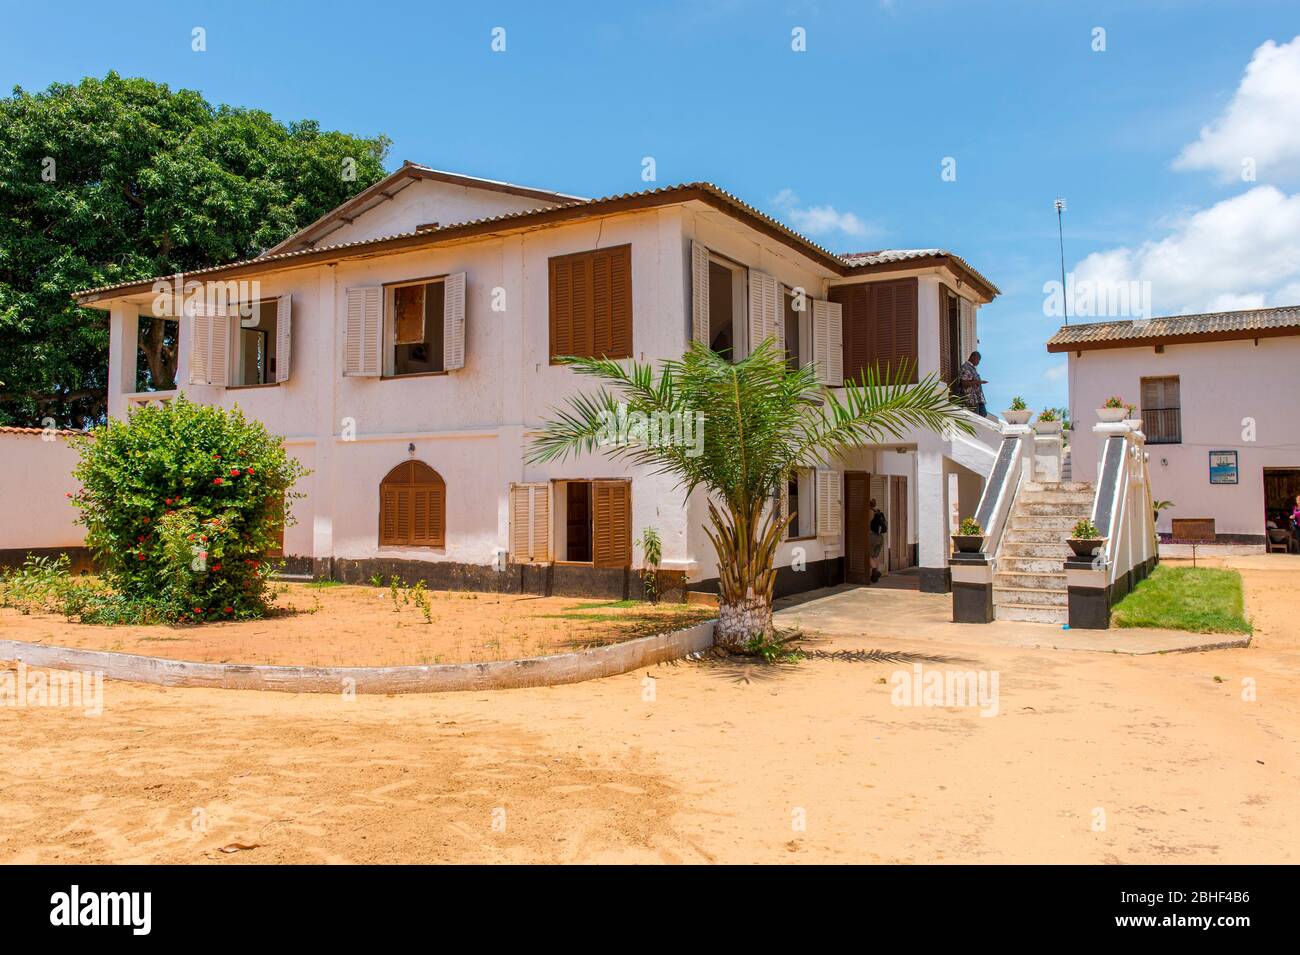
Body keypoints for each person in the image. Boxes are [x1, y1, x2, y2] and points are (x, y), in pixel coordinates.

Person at [958, 350, 989, 418]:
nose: (978, 362)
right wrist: (979, 382)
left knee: (983, 415)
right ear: (972, 357)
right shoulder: (966, 367)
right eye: (978, 359)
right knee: (976, 419)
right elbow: (964, 383)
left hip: (978, 399)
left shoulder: (972, 368)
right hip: (971, 399)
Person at [869, 497, 888, 584]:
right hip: (880, 537)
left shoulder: (869, 512)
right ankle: (877, 570)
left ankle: (874, 571)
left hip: (871, 536)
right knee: (875, 556)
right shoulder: (879, 512)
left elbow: (866, 524)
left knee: (868, 555)